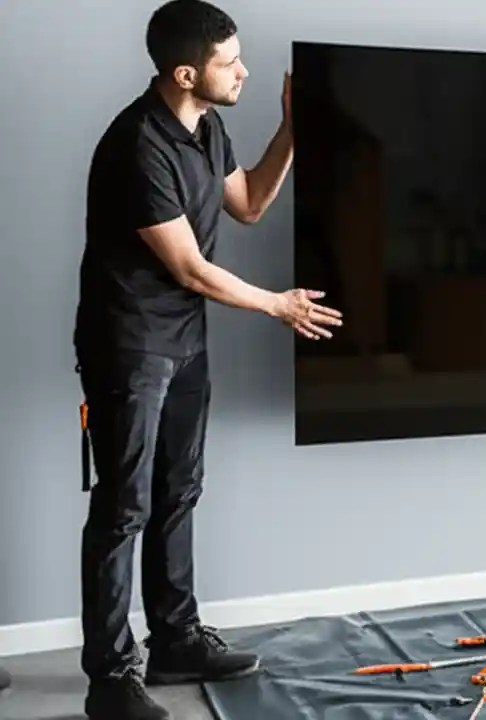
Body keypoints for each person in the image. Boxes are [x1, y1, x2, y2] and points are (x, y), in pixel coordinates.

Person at [73, 1, 342, 718]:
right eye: (230, 63)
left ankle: (175, 639)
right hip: (129, 344)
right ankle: (109, 679)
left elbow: (248, 202)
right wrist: (278, 304)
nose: (244, 71)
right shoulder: (139, 145)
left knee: (179, 491)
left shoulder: (206, 127)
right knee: (123, 505)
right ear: (186, 72)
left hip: (184, 340)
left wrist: (292, 129)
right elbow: (189, 268)